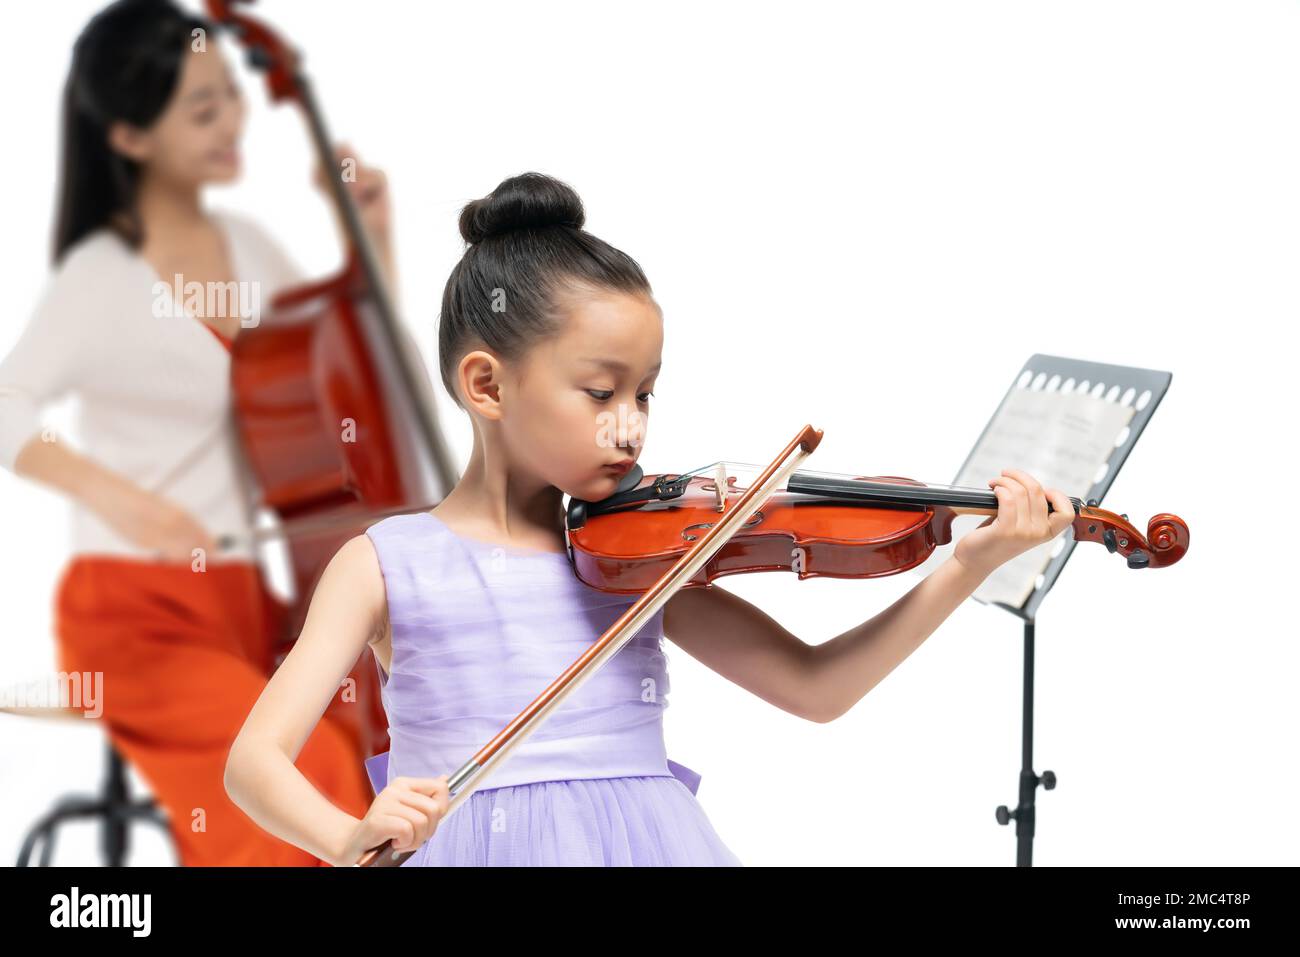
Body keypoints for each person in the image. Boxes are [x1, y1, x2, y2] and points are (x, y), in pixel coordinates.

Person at [224, 171, 1075, 867]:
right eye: (600, 392)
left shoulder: (638, 561)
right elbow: (253, 762)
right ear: (487, 386)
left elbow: (818, 688)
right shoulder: (387, 563)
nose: (630, 423)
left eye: (644, 392)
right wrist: (344, 837)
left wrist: (966, 566)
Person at [0, 0, 391, 865]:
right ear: (133, 139)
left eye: (231, 96)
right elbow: (7, 401)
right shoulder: (99, 276)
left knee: (380, 760)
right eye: (201, 107)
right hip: (134, 618)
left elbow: (349, 368)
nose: (233, 122)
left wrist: (373, 239)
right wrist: (119, 498)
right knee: (308, 777)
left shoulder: (249, 247)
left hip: (256, 606)